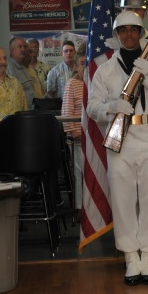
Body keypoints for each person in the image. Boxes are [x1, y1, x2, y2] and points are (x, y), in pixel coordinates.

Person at [86, 11, 148, 285]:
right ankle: (130, 256)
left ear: (142, 34)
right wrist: (111, 107)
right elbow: (93, 107)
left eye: (134, 30)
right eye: (123, 30)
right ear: (116, 35)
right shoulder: (104, 69)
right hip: (121, 138)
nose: (129, 35)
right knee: (123, 198)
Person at [62, 43, 86, 212]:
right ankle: (79, 207)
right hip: (78, 136)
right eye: (82, 63)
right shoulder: (72, 83)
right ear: (77, 66)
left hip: (95, 136)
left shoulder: (96, 82)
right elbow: (67, 113)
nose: (85, 66)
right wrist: (73, 132)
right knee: (79, 173)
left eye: (88, 62)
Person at [6, 36, 43, 108]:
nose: (23, 49)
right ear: (11, 49)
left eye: (25, 47)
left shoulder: (24, 67)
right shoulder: (8, 68)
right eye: (20, 47)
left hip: (31, 111)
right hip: (20, 114)